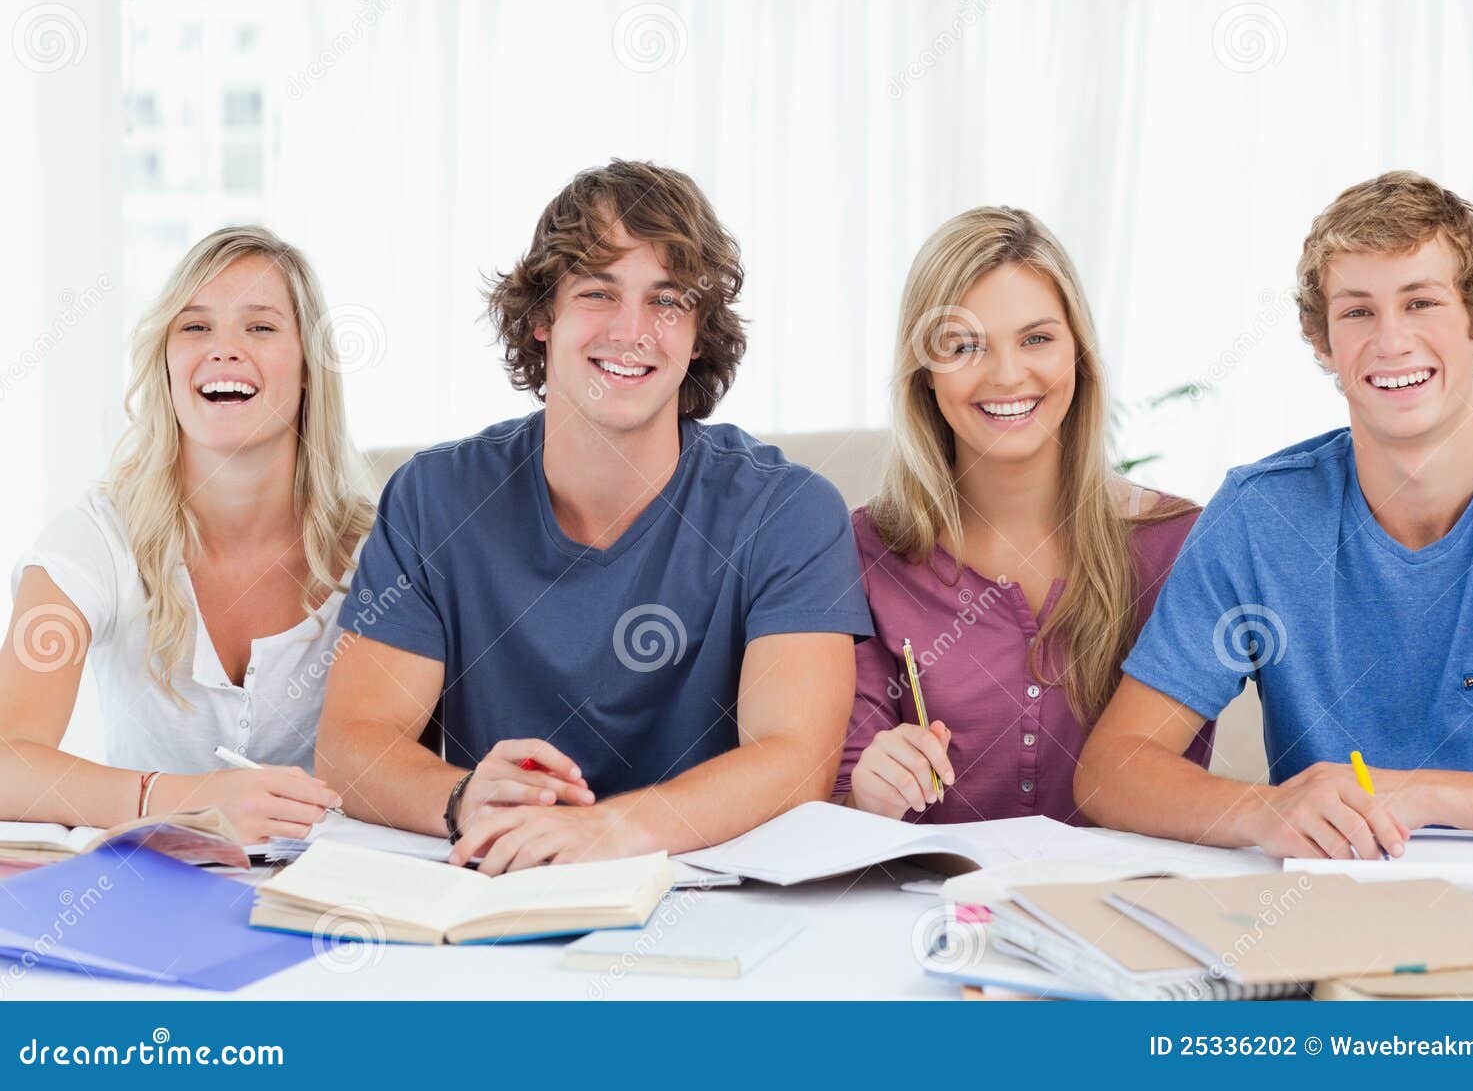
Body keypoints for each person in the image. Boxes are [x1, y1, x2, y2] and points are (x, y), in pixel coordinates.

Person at [315, 160, 872, 873]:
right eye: (597, 292)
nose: (631, 329)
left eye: (667, 300)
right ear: (542, 318)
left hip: (711, 904)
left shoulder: (790, 512)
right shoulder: (434, 498)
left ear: (699, 333)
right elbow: (353, 741)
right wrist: (462, 799)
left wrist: (609, 831)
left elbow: (796, 762)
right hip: (498, 884)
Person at [1077, 171, 1473, 856]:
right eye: (1357, 312)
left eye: (1421, 303)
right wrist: (1264, 812)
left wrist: (1424, 795)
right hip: (1318, 906)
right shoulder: (1260, 517)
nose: (1391, 341)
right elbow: (1112, 770)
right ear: (1322, 343)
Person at [836, 207, 1208, 823]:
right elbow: (839, 805)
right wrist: (867, 792)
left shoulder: (1176, 545)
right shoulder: (860, 552)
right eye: (963, 346)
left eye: (1036, 339)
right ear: (925, 373)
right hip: (930, 913)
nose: (1008, 375)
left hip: (1119, 910)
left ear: (1078, 355)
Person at [1, 226, 367, 842]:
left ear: (309, 369)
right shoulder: (95, 540)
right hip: (144, 898)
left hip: (325, 900)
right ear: (166, 365)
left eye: (261, 326)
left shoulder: (378, 551)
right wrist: (188, 800)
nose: (223, 349)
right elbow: (6, 758)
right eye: (195, 327)